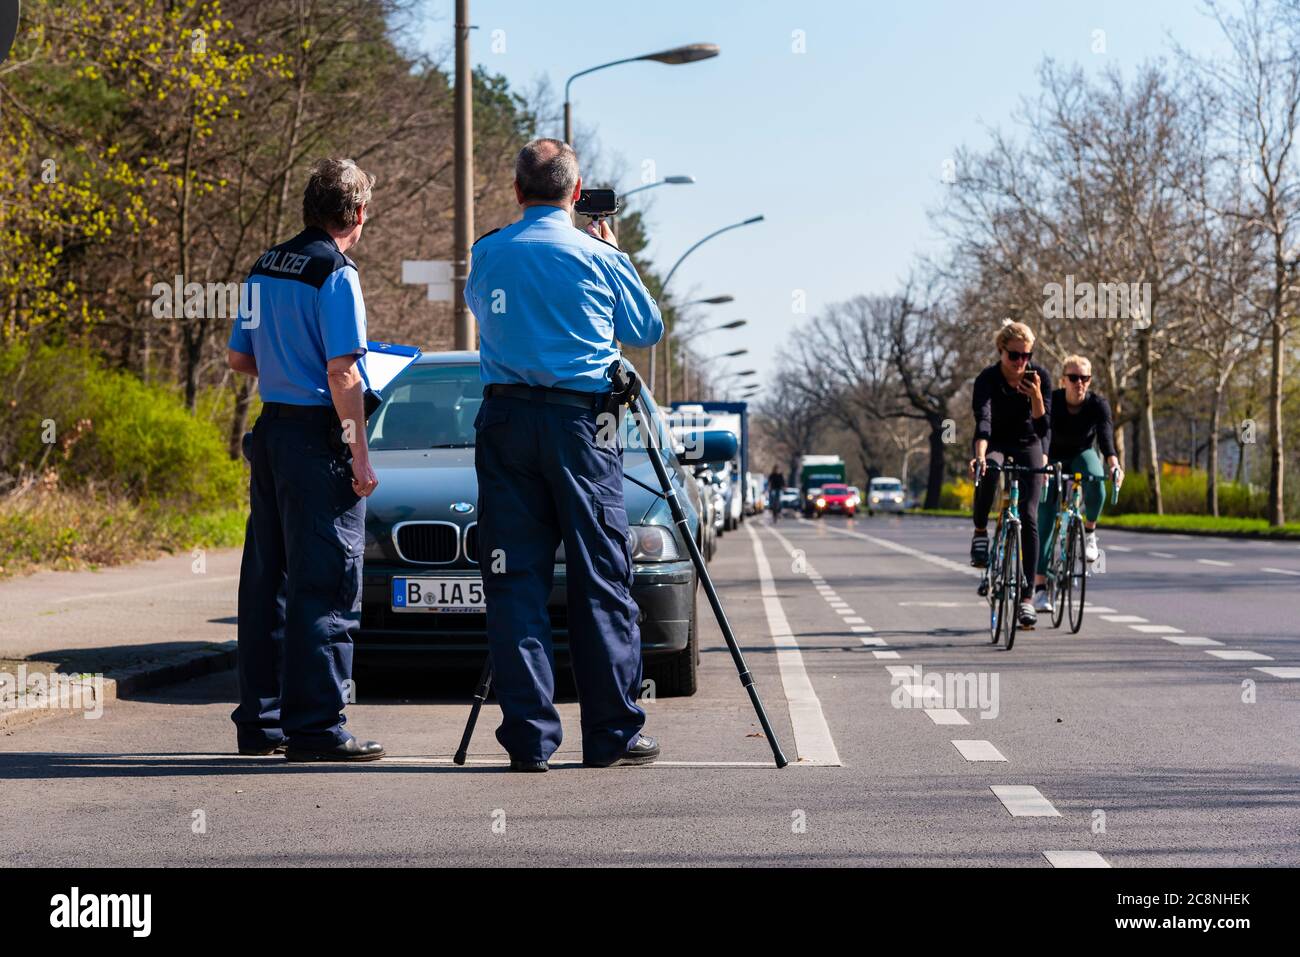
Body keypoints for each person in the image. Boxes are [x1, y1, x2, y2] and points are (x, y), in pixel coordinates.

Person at [465, 138, 664, 772]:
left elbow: (481, 310)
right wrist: (614, 253)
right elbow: (647, 329)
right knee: (600, 574)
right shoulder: (598, 256)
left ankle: (528, 737)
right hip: (583, 429)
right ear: (576, 195)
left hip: (505, 422)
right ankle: (611, 734)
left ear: (517, 191)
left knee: (512, 578)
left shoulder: (488, 252)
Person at [226, 158, 385, 762]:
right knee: (326, 583)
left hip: (272, 433)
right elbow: (344, 371)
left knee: (268, 584)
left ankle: (261, 724)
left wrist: (286, 363)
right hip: (318, 439)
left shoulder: (265, 265)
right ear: (358, 213)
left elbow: (240, 361)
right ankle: (317, 727)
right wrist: (359, 454)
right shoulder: (336, 274)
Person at [969, 320, 1052, 629]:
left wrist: (1037, 398)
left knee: (1029, 517)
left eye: (1026, 356)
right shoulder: (987, 379)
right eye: (1014, 356)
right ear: (1000, 351)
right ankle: (980, 533)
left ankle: (1027, 599)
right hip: (997, 441)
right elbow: (984, 422)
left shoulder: (1039, 377)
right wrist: (979, 456)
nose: (1021, 363)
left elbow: (1045, 430)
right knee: (988, 471)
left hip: (1029, 441)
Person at [1032, 355, 1123, 613]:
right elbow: (1044, 434)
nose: (1079, 383)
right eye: (1073, 378)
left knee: (1097, 480)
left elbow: (1105, 437)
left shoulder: (1098, 405)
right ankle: (1040, 588)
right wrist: (1043, 466)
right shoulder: (1054, 401)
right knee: (1045, 519)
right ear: (1063, 380)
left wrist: (1114, 464)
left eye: (1085, 378)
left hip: (1081, 454)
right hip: (1053, 455)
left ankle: (1090, 531)